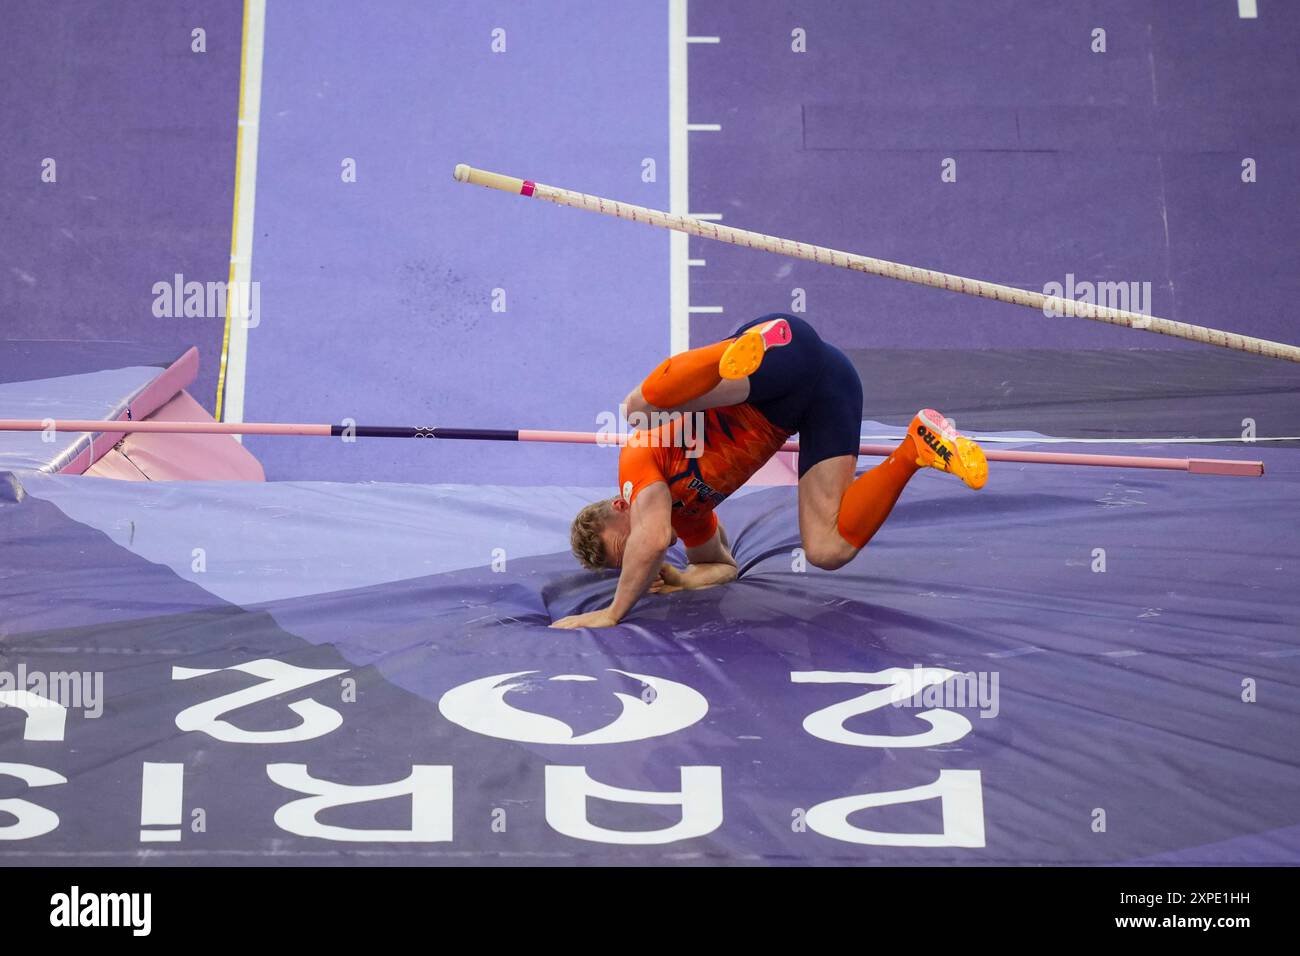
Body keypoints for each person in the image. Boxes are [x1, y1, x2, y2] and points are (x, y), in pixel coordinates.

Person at [551, 314, 987, 629]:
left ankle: (731, 350)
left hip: (773, 361)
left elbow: (651, 539)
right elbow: (724, 569)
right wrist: (684, 578)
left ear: (620, 504)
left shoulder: (638, 459)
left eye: (625, 547)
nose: (644, 556)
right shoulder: (688, 519)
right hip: (825, 392)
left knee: (635, 410)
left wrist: (612, 613)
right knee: (827, 550)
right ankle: (916, 447)